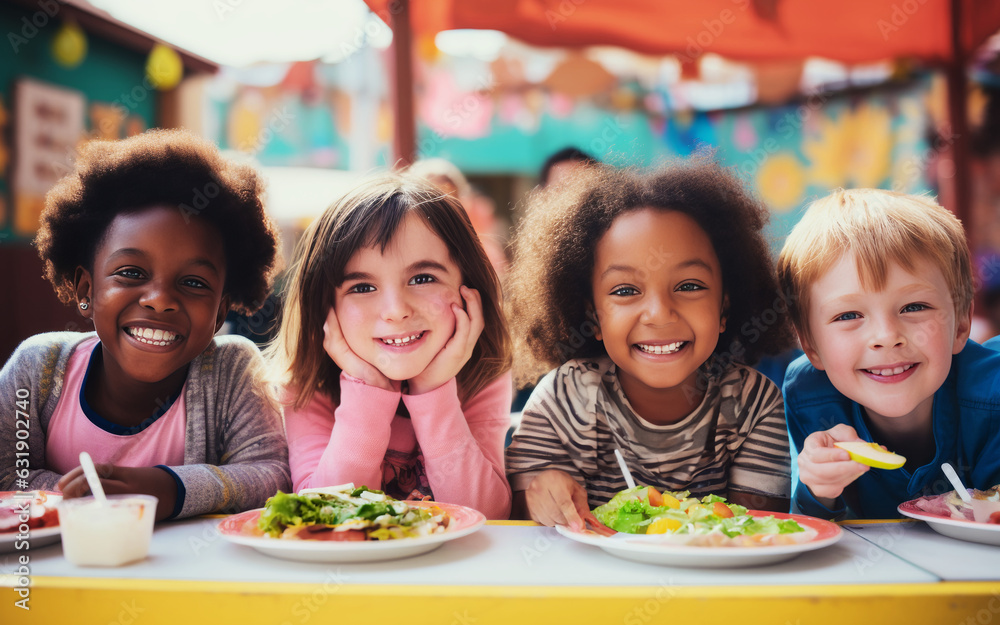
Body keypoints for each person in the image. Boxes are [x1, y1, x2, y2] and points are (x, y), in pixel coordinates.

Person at [0, 129, 291, 520]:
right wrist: (82, 497)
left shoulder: (231, 369)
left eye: (193, 283)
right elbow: (5, 474)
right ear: (86, 287)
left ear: (221, 312)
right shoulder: (38, 369)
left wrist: (172, 487)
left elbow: (271, 474)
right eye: (131, 272)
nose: (160, 299)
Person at [504, 158, 796, 531]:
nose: (659, 313)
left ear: (726, 306)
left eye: (689, 286)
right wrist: (537, 496)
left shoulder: (753, 404)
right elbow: (519, 520)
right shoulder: (565, 397)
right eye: (626, 291)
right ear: (592, 315)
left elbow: (756, 531)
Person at [269, 174, 514, 519]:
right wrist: (367, 390)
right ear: (324, 307)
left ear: (468, 288)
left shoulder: (481, 375)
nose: (396, 310)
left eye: (423, 278)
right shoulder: (308, 387)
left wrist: (434, 391)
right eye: (362, 287)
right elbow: (324, 515)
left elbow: (485, 515)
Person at [777, 189, 1000, 520]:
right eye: (849, 315)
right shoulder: (810, 397)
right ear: (810, 344)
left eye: (913, 307)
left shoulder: (992, 395)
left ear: (960, 324)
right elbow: (814, 529)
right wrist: (820, 488)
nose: (886, 337)